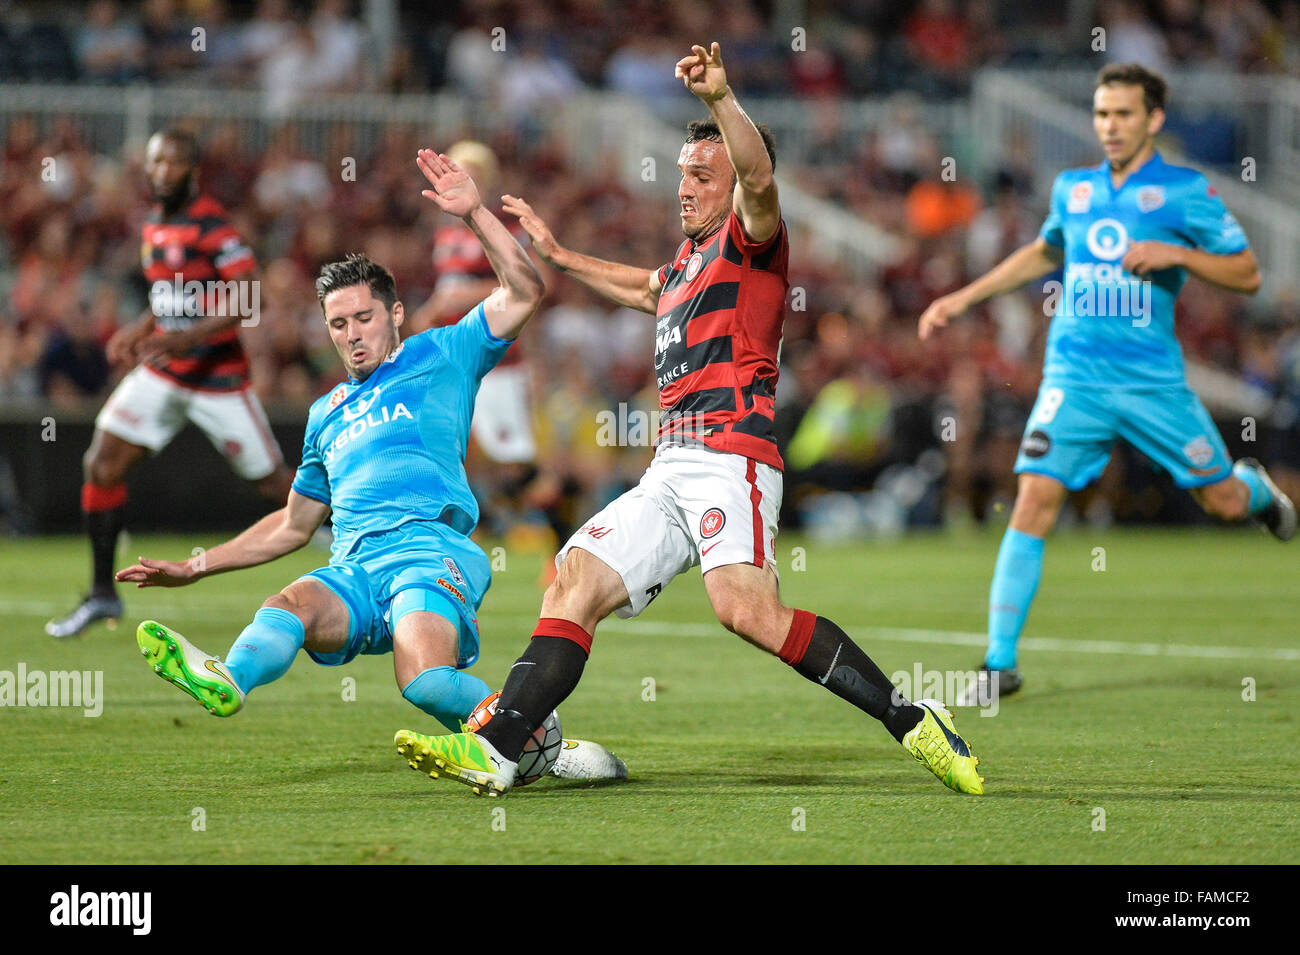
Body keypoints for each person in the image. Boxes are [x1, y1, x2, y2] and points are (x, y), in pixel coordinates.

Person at [391, 43, 984, 797]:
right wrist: (558, 253)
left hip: (731, 455)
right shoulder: (684, 265)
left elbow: (760, 177)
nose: (686, 188)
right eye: (682, 176)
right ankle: (502, 751)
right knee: (573, 582)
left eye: (703, 176)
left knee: (746, 611)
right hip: (670, 465)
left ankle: (912, 718)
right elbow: (646, 288)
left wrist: (720, 99)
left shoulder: (751, 242)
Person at [115, 150, 624, 783]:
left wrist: (475, 215)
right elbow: (294, 525)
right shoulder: (326, 412)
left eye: (363, 317)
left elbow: (524, 289)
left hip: (428, 551)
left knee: (424, 681)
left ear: (395, 315)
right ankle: (228, 676)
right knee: (292, 603)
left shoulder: (443, 353)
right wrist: (196, 567)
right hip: (353, 566)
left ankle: (532, 742)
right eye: (337, 324)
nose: (352, 333)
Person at [916, 63, 1295, 702]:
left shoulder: (1184, 192)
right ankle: (998, 663)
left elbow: (1247, 273)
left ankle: (1253, 490)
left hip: (1152, 383)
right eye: (1101, 114)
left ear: (1153, 120)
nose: (1110, 126)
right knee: (1034, 495)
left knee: (1221, 501)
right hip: (1074, 377)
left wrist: (1178, 255)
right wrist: (965, 297)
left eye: (1122, 114)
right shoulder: (1074, 189)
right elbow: (1045, 252)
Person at [47, 127, 293, 638]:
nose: (163, 172)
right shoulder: (154, 223)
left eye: (174, 163)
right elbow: (168, 299)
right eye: (156, 162)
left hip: (217, 380)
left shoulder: (214, 228)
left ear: (192, 169)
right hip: (162, 372)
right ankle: (102, 595)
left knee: (276, 485)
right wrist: (138, 330)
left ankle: (368, 532)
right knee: (101, 464)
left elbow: (253, 299)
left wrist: (192, 337)